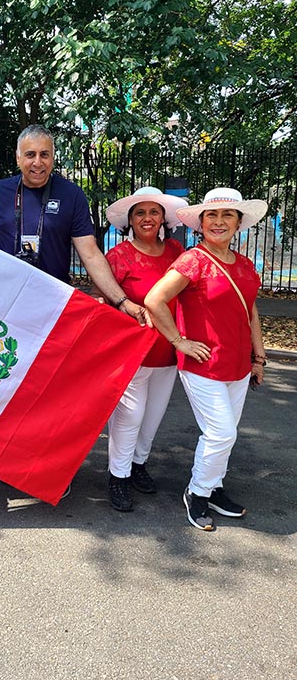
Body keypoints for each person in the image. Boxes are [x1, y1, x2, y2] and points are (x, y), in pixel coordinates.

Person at [144, 187, 268, 531]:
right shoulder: (193, 260)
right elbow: (155, 300)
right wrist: (178, 341)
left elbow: (251, 312)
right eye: (211, 215)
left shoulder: (243, 265)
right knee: (221, 433)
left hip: (239, 365)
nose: (218, 221)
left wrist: (259, 357)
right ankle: (197, 493)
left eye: (227, 215)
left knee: (228, 433)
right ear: (200, 223)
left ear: (238, 223)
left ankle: (213, 488)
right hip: (204, 365)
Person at [0, 125, 147, 323]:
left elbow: (90, 254)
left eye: (44, 154)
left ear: (52, 157)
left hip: (53, 302)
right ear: (18, 158)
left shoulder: (71, 194)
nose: (37, 162)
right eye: (30, 154)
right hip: (6, 300)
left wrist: (122, 301)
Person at [104, 186, 189, 511]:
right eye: (140, 212)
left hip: (167, 352)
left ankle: (138, 465)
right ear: (130, 220)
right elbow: (105, 302)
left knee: (152, 418)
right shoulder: (118, 256)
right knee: (129, 415)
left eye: (153, 212)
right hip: (131, 354)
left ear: (164, 218)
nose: (147, 218)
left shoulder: (177, 251)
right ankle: (118, 476)